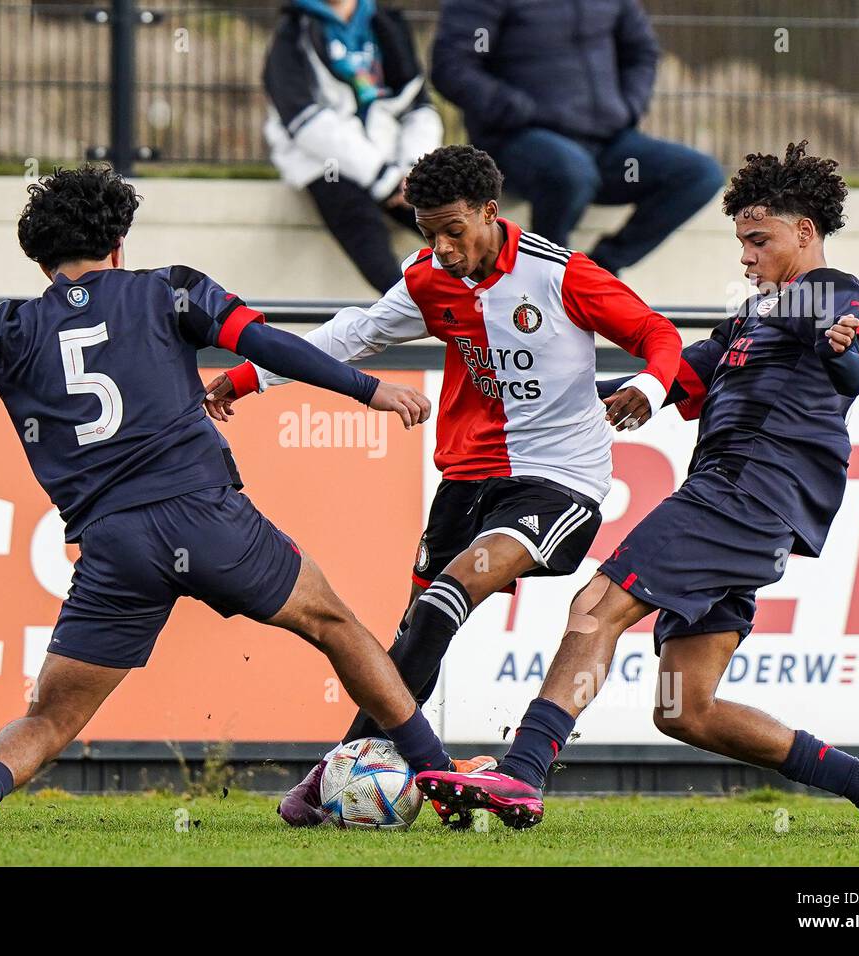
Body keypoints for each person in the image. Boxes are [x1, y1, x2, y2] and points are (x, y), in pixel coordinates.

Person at [0, 165, 489, 832]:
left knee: (51, 715)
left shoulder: (4, 333)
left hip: (115, 547)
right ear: (119, 243)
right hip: (208, 516)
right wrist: (368, 389)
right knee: (338, 626)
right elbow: (267, 343)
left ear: (40, 258)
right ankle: (437, 773)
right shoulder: (171, 291)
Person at [415, 142, 859, 834]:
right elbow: (686, 371)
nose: (746, 256)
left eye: (759, 240)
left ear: (805, 233)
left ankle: (522, 772)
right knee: (686, 709)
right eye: (741, 240)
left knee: (598, 603)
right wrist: (606, 392)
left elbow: (848, 360)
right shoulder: (752, 314)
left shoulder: (824, 293)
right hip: (742, 506)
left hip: (747, 495)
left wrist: (841, 352)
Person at [205, 144, 682, 827]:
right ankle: (366, 769)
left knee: (449, 595)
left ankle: (380, 771)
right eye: (427, 232)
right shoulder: (431, 277)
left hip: (559, 479)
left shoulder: (563, 275)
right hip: (466, 477)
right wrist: (250, 376)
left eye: (454, 231)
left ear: (491, 212)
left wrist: (646, 386)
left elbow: (657, 334)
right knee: (416, 629)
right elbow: (355, 334)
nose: (442, 248)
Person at [431, 0, 723, 276]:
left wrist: (628, 107)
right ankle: (543, 273)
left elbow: (641, 51)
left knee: (700, 174)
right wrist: (517, 109)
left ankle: (597, 270)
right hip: (519, 138)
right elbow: (452, 67)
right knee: (571, 172)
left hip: (609, 142)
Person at [263, 0, 443, 293]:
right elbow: (305, 122)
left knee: (442, 211)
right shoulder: (293, 30)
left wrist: (413, 170)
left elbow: (419, 108)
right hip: (323, 162)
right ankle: (414, 304)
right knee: (358, 219)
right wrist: (383, 178)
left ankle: (501, 283)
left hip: (394, 161)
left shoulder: (387, 23)